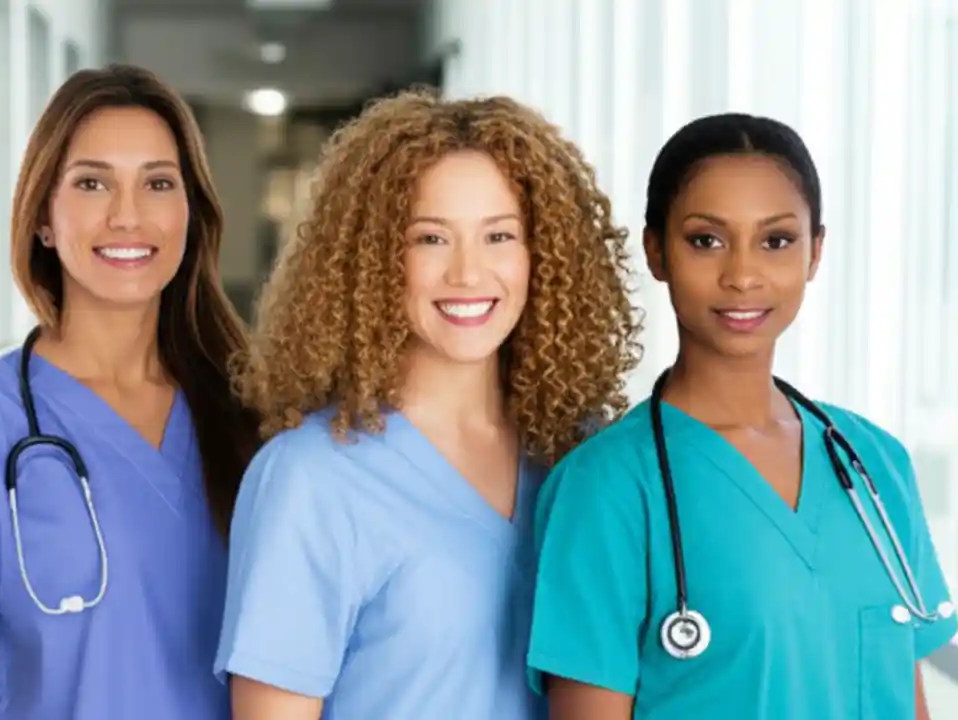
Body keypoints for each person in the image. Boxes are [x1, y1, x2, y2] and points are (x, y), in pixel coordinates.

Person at [213, 88, 641, 719]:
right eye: (431, 239)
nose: (468, 273)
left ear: (543, 255)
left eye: (499, 235)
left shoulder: (582, 456)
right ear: (375, 260)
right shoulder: (310, 478)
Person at [526, 113, 958, 719]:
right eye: (706, 240)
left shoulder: (875, 465)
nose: (743, 275)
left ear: (816, 252)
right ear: (657, 251)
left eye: (776, 240)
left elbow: (906, 698)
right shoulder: (608, 487)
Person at [0, 64, 258, 719]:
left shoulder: (253, 416)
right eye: (92, 182)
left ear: (190, 214)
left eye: (158, 183)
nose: (128, 215)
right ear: (44, 218)